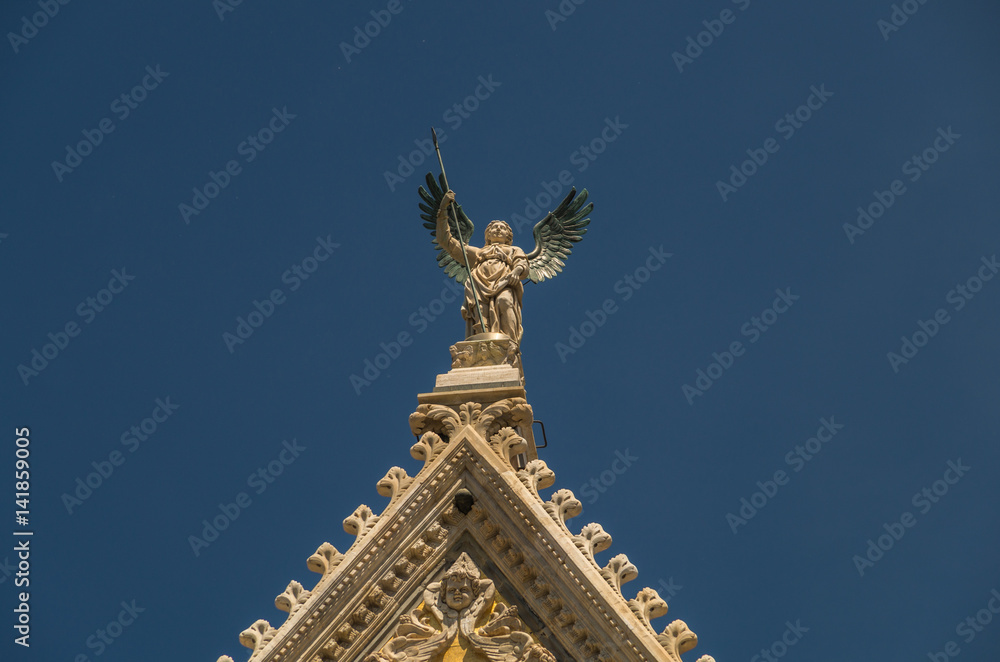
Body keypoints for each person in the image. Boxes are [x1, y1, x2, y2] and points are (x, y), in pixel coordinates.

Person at [437, 190, 530, 343]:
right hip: (479, 284)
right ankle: (482, 349)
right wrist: (443, 209)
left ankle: (509, 344)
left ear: (508, 236)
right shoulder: (477, 252)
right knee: (480, 313)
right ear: (487, 235)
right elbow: (445, 241)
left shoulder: (514, 250)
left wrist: (516, 271)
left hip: (505, 281)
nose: (498, 229)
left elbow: (522, 263)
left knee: (505, 302)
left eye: (502, 228)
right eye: (494, 227)